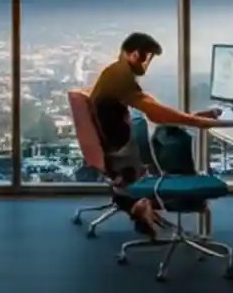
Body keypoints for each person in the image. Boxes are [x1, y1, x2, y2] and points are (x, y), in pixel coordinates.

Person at [89, 32, 225, 234]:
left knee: (169, 132)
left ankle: (141, 205)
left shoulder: (115, 73)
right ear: (136, 54)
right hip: (123, 157)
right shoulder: (119, 76)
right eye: (148, 58)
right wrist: (198, 121)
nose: (147, 64)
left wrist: (191, 116)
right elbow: (155, 113)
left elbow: (152, 107)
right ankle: (176, 198)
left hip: (121, 152)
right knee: (175, 140)